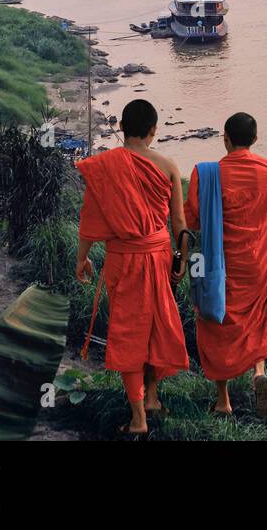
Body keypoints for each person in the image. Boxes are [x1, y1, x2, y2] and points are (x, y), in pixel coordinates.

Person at [76, 99, 189, 436]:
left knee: (129, 332)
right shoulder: (168, 166)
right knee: (156, 326)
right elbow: (180, 222)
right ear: (154, 131)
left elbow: (89, 220)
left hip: (123, 261)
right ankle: (151, 397)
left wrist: (81, 259)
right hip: (159, 256)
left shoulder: (105, 165)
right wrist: (180, 262)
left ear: (122, 128)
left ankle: (140, 416)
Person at [186, 112, 267, 416]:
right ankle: (258, 372)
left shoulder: (206, 174)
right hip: (256, 263)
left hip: (219, 265)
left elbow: (193, 219)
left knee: (215, 323)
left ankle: (223, 401)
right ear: (255, 140)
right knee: (259, 318)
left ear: (225, 139)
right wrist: (263, 254)